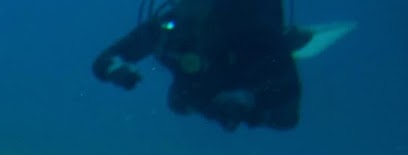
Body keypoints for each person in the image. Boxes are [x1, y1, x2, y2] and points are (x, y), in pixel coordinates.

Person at [92, 0, 307, 131]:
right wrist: (115, 69)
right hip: (201, 91)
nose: (188, 7)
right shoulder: (166, 26)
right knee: (179, 101)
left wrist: (250, 98)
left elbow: (289, 91)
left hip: (250, 86)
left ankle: (291, 39)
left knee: (283, 119)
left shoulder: (253, 26)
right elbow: (105, 58)